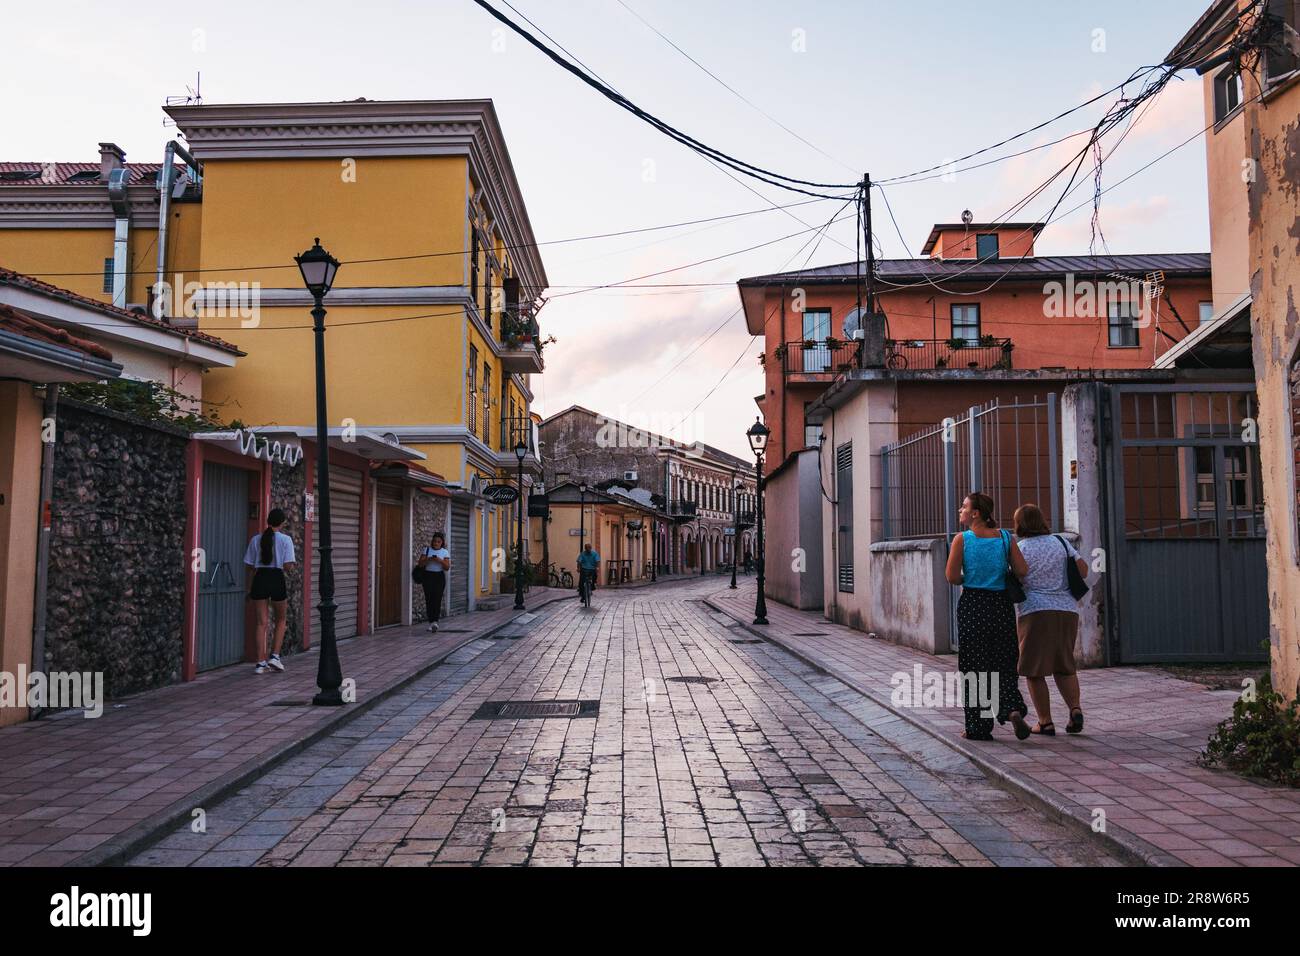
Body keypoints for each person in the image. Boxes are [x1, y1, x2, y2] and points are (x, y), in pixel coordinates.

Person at [945, 492, 1031, 741]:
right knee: (1003, 661)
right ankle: (1012, 709)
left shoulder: (963, 540)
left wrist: (969, 578)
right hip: (1001, 605)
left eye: (964, 507)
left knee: (975, 666)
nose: (960, 510)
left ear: (976, 513)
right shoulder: (1005, 537)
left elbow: (951, 577)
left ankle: (978, 727)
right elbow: (1022, 570)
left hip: (973, 604)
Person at [1012, 504, 1088, 735]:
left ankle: (1045, 721)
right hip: (1067, 610)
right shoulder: (1061, 542)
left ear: (1019, 525)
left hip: (1035, 611)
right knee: (1064, 665)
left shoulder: (1020, 548)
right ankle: (1075, 709)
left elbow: (1017, 574)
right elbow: (1083, 570)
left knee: (1034, 670)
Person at [245, 508, 296, 674]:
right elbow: (288, 566)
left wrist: (249, 587)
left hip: (260, 579)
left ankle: (260, 663)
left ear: (268, 521)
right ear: (282, 523)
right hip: (276, 578)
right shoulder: (286, 540)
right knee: (281, 619)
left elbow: (250, 566)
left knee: (261, 623)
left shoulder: (256, 540)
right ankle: (275, 656)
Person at [418, 531, 451, 633]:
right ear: (432, 542)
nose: (436, 543)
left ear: (442, 543)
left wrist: (439, 560)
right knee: (429, 599)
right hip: (428, 576)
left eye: (439, 541)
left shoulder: (444, 552)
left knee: (437, 599)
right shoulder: (427, 550)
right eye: (435, 541)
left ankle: (435, 622)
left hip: (439, 577)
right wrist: (428, 559)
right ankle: (430, 622)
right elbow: (420, 564)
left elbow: (447, 567)